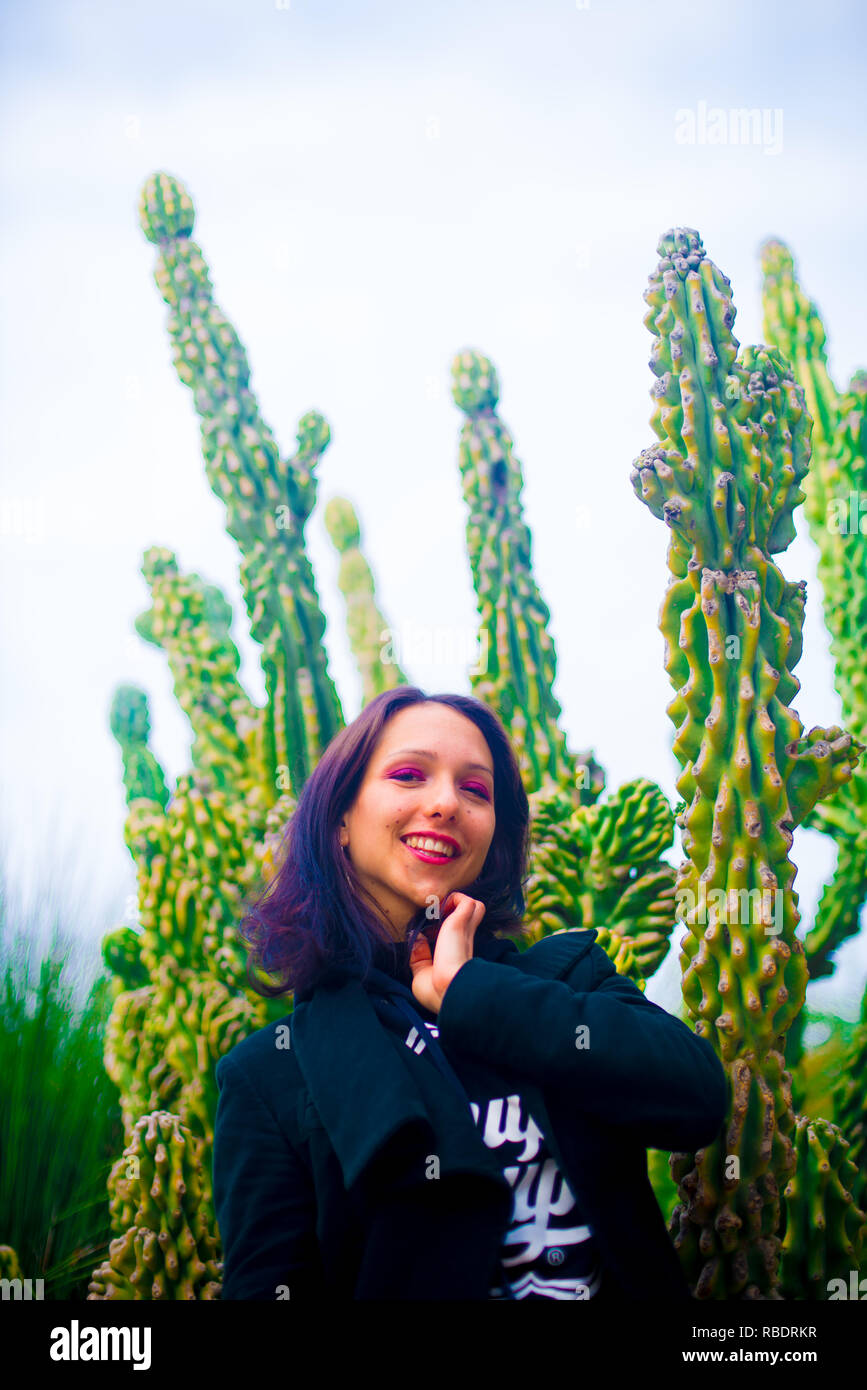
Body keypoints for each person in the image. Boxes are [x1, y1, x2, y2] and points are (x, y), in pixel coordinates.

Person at [212, 685, 728, 1301]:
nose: (445, 803)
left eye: (476, 790)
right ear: (341, 819)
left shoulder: (570, 974)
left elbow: (695, 1099)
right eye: (409, 775)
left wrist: (472, 992)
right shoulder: (271, 1071)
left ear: (494, 839)